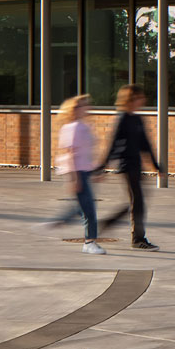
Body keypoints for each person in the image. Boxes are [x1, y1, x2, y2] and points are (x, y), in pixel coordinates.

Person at [97, 84, 164, 251]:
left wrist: (156, 166)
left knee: (136, 202)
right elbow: (113, 144)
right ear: (131, 99)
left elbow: (145, 144)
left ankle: (110, 221)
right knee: (138, 202)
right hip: (127, 166)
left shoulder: (137, 118)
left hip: (137, 165)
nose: (143, 100)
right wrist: (102, 167)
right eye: (140, 97)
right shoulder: (123, 119)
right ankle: (138, 239)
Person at [44, 94, 104, 254]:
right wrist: (73, 179)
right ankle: (89, 242)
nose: (88, 107)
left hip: (85, 171)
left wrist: (96, 170)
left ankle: (60, 221)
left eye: (88, 104)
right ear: (75, 109)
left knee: (83, 206)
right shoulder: (72, 128)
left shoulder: (84, 126)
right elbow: (70, 154)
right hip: (78, 173)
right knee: (89, 209)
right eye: (85, 105)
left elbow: (87, 152)